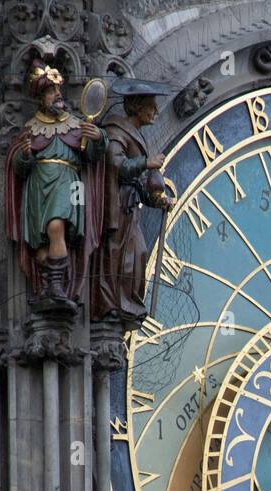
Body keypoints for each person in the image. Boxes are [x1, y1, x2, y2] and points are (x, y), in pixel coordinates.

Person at [4, 63, 105, 305]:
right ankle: (50, 282)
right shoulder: (31, 128)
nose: (57, 95)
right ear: (40, 98)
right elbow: (18, 166)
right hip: (39, 187)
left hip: (70, 185)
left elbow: (92, 156)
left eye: (58, 90)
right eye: (51, 92)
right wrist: (25, 155)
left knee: (57, 227)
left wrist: (98, 138)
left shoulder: (75, 125)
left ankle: (57, 285)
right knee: (42, 248)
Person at [91, 80, 176, 323]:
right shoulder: (116, 131)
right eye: (151, 106)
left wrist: (158, 201)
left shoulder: (136, 135)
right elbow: (115, 165)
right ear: (138, 107)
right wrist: (145, 163)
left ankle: (126, 304)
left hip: (130, 206)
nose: (156, 112)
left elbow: (138, 180)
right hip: (116, 205)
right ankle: (111, 304)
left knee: (137, 252)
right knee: (119, 252)